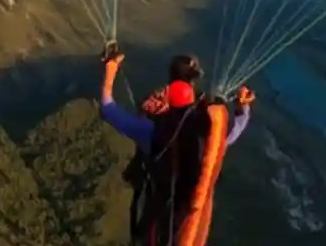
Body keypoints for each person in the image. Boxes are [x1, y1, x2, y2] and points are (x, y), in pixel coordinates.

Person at [99, 45, 255, 245]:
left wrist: (110, 70)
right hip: (182, 217)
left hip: (160, 214)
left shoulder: (151, 131)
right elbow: (231, 132)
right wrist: (242, 108)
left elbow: (108, 108)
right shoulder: (204, 135)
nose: (156, 96)